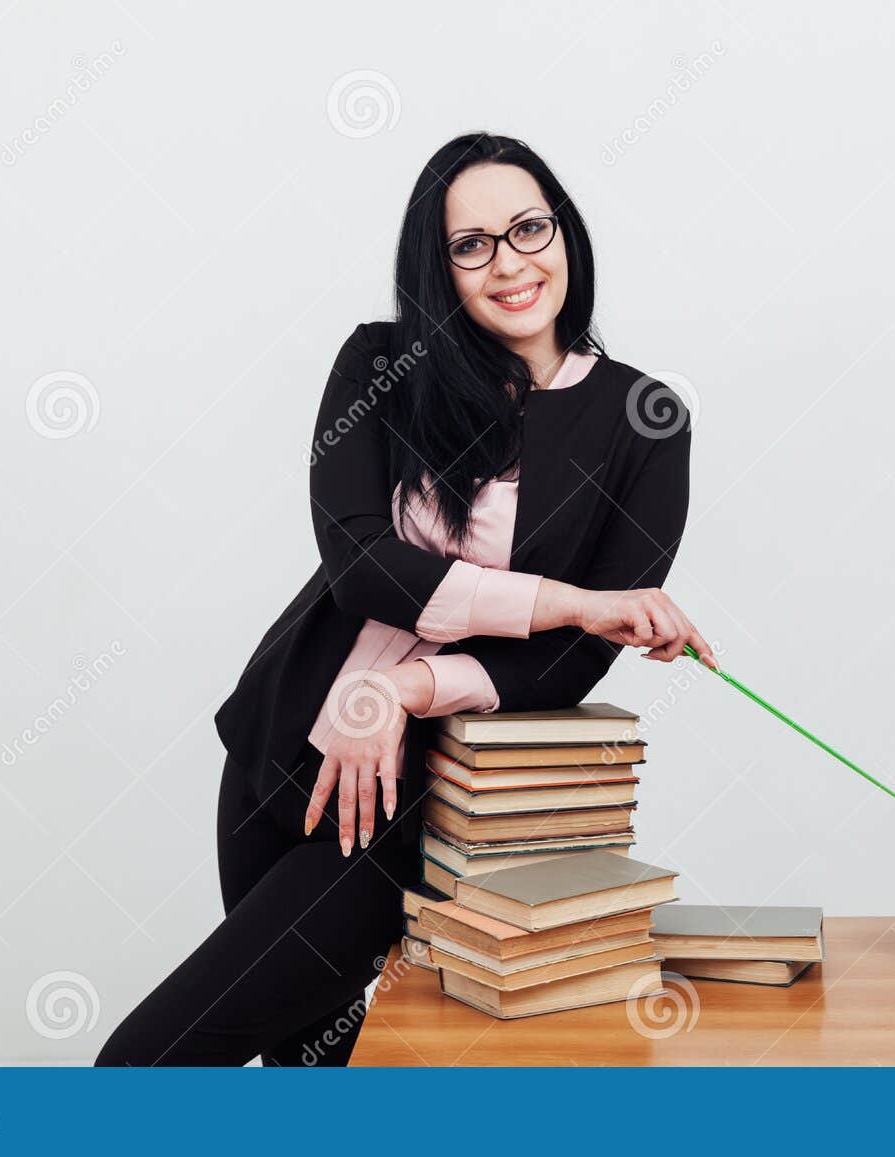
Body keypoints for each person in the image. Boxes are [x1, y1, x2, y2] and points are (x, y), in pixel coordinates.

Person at [95, 132, 716, 1067]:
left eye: (528, 228)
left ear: (566, 234)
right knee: (308, 1072)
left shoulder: (645, 419)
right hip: (274, 754)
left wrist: (403, 692)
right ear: (439, 267)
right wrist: (572, 597)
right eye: (471, 245)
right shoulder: (382, 365)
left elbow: (568, 661)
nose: (509, 263)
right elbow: (360, 565)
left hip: (401, 798)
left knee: (149, 1063)